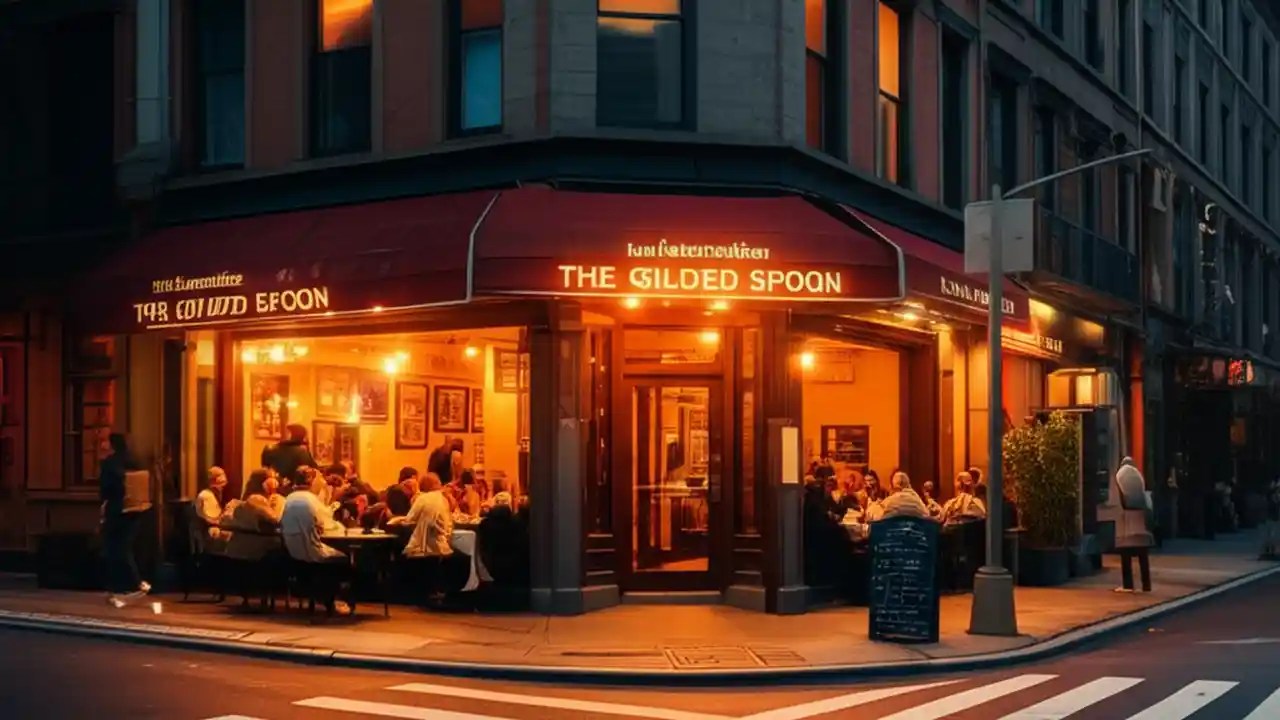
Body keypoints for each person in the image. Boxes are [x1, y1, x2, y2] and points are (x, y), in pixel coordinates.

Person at [281, 475, 350, 615]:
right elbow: (327, 522)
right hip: (313, 551)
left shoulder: (289, 499)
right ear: (312, 482)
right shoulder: (311, 499)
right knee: (344, 558)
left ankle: (322, 596)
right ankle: (333, 599)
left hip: (294, 552)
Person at [388, 473, 455, 605]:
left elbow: (410, 519)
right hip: (442, 542)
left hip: (424, 544)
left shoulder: (423, 499)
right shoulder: (442, 499)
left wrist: (397, 519)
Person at [99, 433, 148, 606]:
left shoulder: (109, 463)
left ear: (112, 444)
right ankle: (131, 583)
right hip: (136, 509)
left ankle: (128, 585)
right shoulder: (136, 460)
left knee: (114, 547)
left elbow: (105, 490)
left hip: (116, 509)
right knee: (127, 546)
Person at [262, 424, 318, 489]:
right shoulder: (302, 452)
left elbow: (265, 469)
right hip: (294, 491)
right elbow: (314, 473)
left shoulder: (269, 449)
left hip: (273, 489)